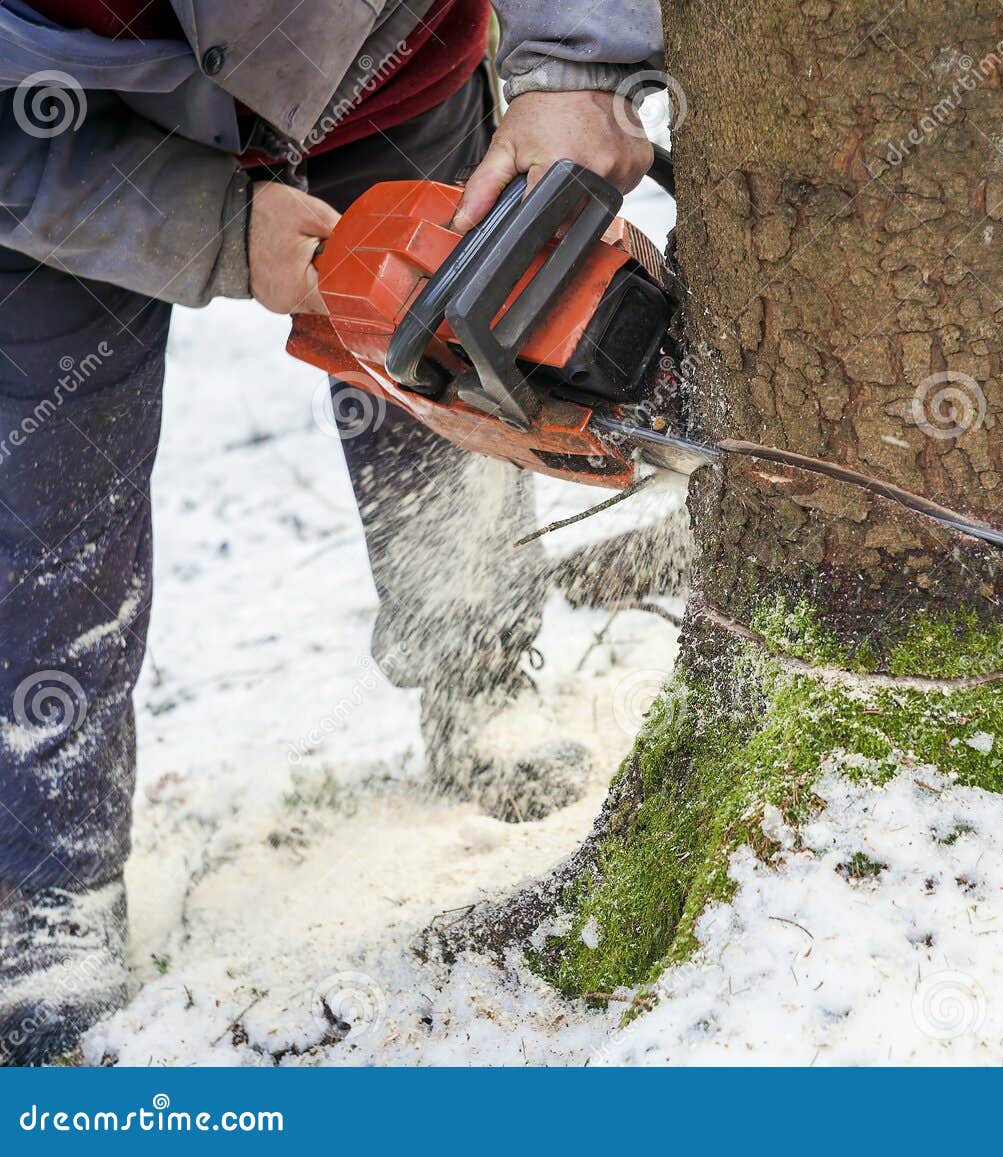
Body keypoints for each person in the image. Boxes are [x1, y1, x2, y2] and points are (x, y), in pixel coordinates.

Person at [0, 0, 660, 1066]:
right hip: (61, 128)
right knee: (46, 491)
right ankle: (52, 874)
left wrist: (572, 63)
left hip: (382, 64)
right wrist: (214, 224)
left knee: (455, 365)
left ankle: (475, 678)